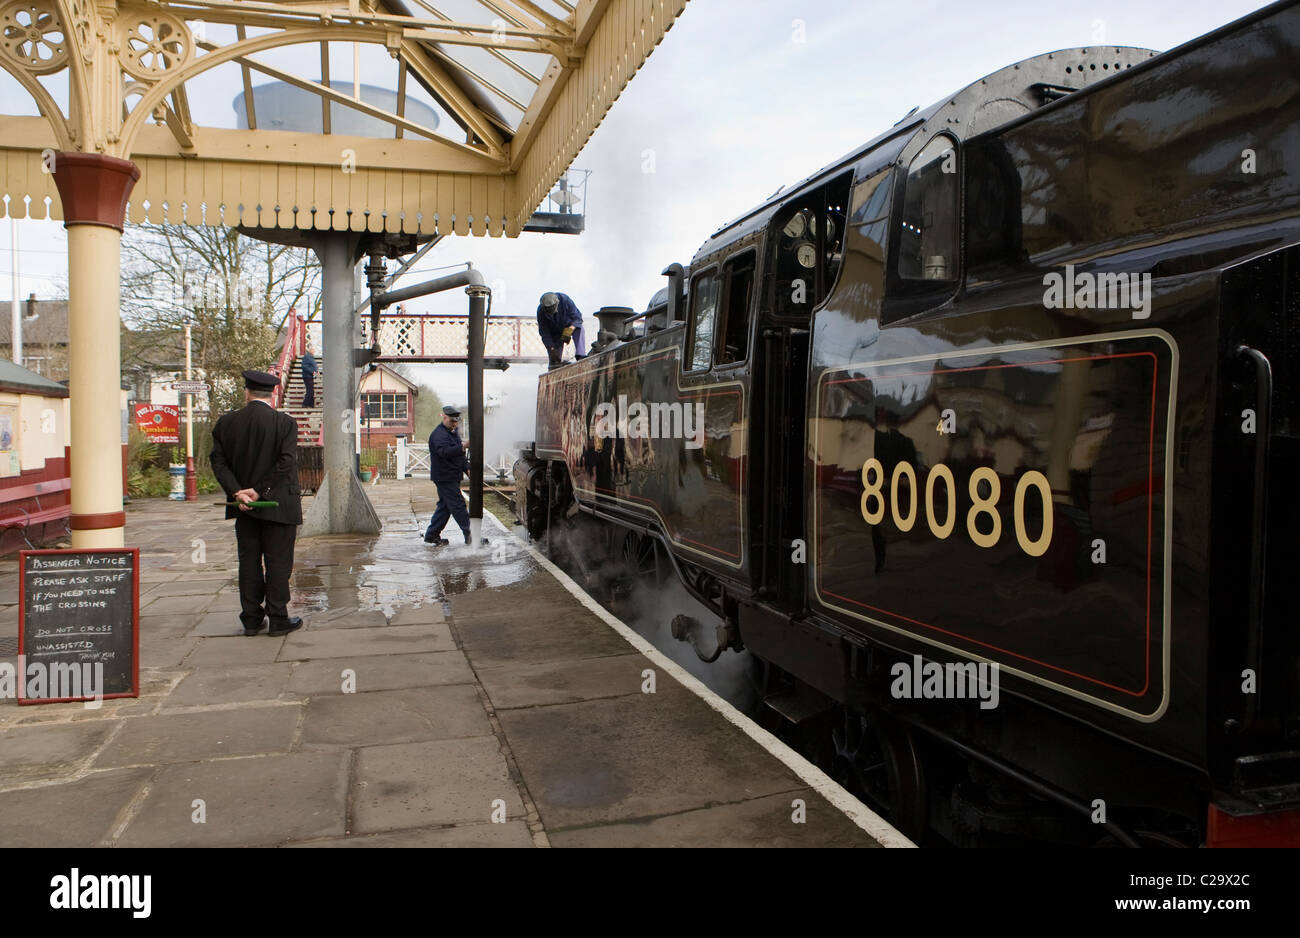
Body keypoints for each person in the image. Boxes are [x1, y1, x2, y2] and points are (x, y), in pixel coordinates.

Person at [210, 370, 304, 636]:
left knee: (249, 562)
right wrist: (260, 491)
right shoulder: (285, 423)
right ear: (272, 393)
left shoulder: (226, 423)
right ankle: (278, 619)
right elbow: (286, 462)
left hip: (243, 508)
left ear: (246, 392)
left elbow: (218, 461)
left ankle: (251, 619)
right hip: (279, 506)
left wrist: (238, 491)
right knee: (278, 563)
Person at [424, 405, 473, 546]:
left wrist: (467, 468)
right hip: (445, 477)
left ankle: (431, 535)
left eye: (456, 422)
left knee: (445, 507)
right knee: (458, 505)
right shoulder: (439, 435)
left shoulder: (452, 432)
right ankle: (471, 536)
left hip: (451, 475)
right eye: (452, 421)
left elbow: (459, 455)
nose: (455, 424)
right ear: (444, 417)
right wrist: (463, 446)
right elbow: (445, 452)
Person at [537, 291, 587, 368]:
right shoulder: (540, 311)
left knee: (579, 329)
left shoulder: (565, 300)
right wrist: (551, 348)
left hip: (569, 326)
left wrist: (568, 332)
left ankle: (580, 355)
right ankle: (555, 365)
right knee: (554, 362)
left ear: (557, 303)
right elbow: (544, 332)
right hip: (555, 333)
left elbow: (578, 318)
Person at [299, 344, 317, 409]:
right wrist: (312, 371)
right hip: (307, 376)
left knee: (311, 390)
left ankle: (311, 405)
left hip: (310, 376)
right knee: (310, 391)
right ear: (310, 350)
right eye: (313, 350)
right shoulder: (307, 356)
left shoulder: (310, 356)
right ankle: (305, 404)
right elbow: (304, 366)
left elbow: (312, 365)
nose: (314, 351)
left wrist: (316, 371)